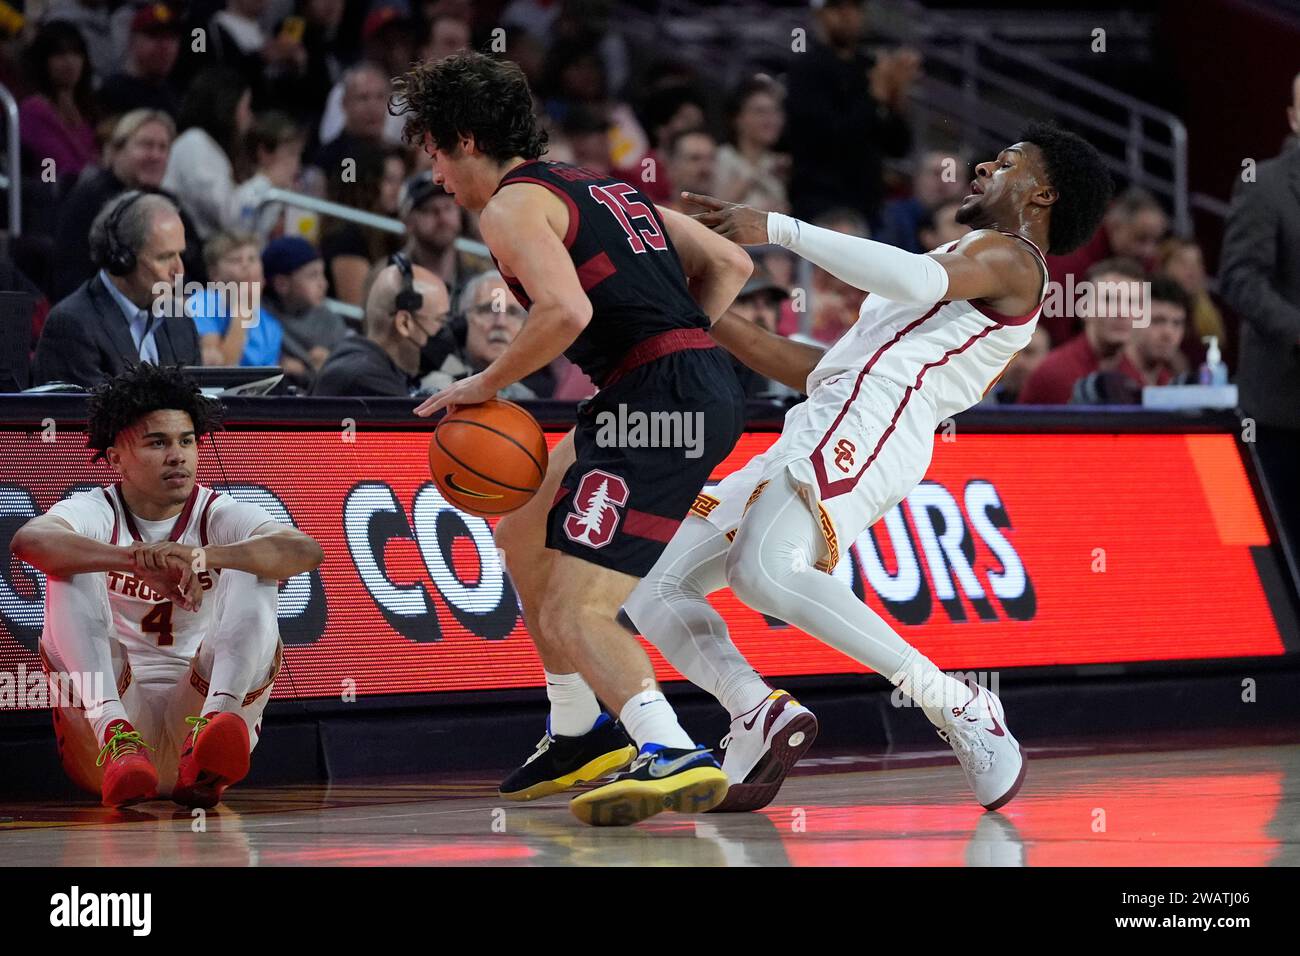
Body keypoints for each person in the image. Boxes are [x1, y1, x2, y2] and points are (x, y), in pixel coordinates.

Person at [623, 123, 1111, 813]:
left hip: (877, 422)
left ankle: (957, 703)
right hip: (829, 412)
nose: (981, 166)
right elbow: (817, 369)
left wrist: (779, 228)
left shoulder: (1015, 259)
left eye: (1005, 163)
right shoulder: (960, 261)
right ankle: (754, 712)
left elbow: (914, 279)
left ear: (1042, 196)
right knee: (653, 585)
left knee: (762, 570)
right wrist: (696, 310)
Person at [396, 51, 753, 826]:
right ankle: (578, 728)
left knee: (573, 607)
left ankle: (669, 746)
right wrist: (682, 346)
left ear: (462, 139)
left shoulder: (509, 208)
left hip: (657, 399)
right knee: (523, 533)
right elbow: (728, 260)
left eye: (432, 154)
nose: (436, 176)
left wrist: (481, 385)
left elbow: (564, 313)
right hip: (662, 389)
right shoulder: (599, 183)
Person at [10, 363, 324, 808]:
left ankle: (215, 725)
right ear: (116, 457)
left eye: (187, 440)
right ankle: (115, 730)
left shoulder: (216, 511)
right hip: (107, 740)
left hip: (194, 724)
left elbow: (304, 550)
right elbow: (30, 541)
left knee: (256, 563)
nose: (178, 455)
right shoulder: (97, 508)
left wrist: (202, 557)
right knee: (66, 564)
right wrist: (135, 562)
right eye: (158, 442)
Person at [1220, 70, 1300, 551]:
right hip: (1285, 410)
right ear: (1294, 117)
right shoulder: (1266, 185)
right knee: (1288, 552)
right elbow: (1239, 278)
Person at [34, 191, 199, 386]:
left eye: (180, 255)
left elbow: (199, 405)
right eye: (164, 257)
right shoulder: (72, 325)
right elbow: (90, 414)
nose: (179, 271)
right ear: (122, 260)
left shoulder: (179, 321)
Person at [784, 0, 917, 224]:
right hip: (820, 203)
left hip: (869, 203)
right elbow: (828, 139)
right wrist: (875, 96)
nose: (848, 16)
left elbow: (898, 146)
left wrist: (896, 99)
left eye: (854, 7)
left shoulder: (870, 67)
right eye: (838, 8)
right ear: (820, 14)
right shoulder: (805, 71)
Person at [52, 109, 192, 299]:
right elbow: (70, 277)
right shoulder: (89, 198)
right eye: (146, 145)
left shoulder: (170, 204)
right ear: (116, 151)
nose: (156, 155)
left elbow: (196, 269)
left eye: (163, 148)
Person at [1043, 187, 1168, 344]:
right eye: (1141, 239)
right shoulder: (1071, 256)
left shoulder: (1145, 262)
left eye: (1155, 241)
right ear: (1115, 226)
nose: (1148, 251)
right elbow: (1053, 327)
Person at [1017, 258, 1147, 405]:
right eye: (1109, 301)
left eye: (1131, 302)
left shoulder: (1135, 376)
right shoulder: (1055, 373)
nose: (1122, 312)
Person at [312, 258, 449, 397]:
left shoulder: (371, 364)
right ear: (404, 323)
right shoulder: (367, 381)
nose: (445, 329)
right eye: (440, 320)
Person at [422, 271, 550, 399]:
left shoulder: (529, 396)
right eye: (488, 310)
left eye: (512, 312)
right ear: (462, 323)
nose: (501, 323)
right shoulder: (438, 388)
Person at [162, 69, 254, 241]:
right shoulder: (195, 144)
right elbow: (227, 216)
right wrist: (265, 180)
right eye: (246, 107)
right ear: (226, 107)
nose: (250, 116)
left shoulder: (210, 147)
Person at [319, 144, 406, 305]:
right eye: (389, 180)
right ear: (369, 182)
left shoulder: (395, 230)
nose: (398, 190)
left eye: (401, 181)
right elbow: (357, 307)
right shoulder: (348, 237)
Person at [18, 20, 99, 183]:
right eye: (59, 54)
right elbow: (51, 168)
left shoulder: (89, 107)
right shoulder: (33, 110)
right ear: (43, 61)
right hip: (53, 198)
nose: (70, 61)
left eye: (76, 53)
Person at [261, 237, 347, 386]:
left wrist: (331, 362)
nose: (323, 284)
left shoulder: (331, 321)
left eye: (323, 274)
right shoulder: (263, 318)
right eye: (313, 275)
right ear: (282, 284)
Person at [190, 231, 283, 367]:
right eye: (235, 260)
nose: (246, 265)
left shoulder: (271, 326)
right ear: (214, 274)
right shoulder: (201, 304)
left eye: (252, 259)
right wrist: (242, 312)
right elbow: (216, 370)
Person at [398, 170, 493, 303]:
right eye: (429, 209)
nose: (442, 218)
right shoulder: (391, 276)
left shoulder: (482, 274)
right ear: (408, 222)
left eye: (448, 207)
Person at [713, 76, 790, 214]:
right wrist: (757, 174)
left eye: (775, 111)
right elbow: (713, 209)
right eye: (760, 112)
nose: (771, 120)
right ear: (737, 118)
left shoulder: (780, 164)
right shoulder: (720, 158)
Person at [229, 111, 308, 242]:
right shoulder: (246, 196)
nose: (297, 164)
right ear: (264, 152)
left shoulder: (291, 193)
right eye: (291, 154)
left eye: (299, 154)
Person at [98, 4, 183, 120]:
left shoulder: (172, 94)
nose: (165, 46)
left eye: (172, 38)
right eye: (155, 36)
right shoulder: (112, 93)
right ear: (132, 40)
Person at [1124, 276, 1191, 388]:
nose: (1168, 333)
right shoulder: (1108, 379)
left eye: (1177, 323)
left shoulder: (1170, 383)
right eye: (1157, 321)